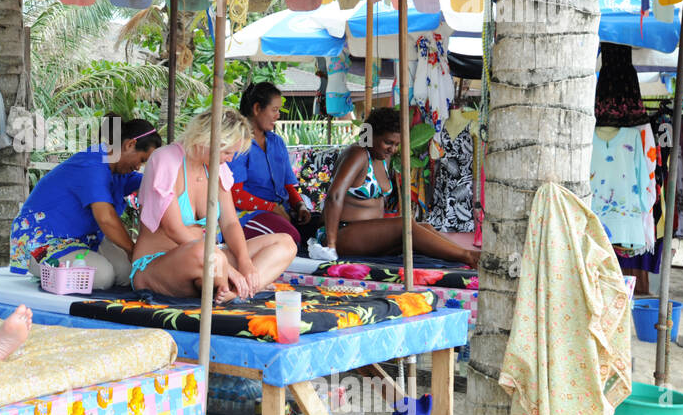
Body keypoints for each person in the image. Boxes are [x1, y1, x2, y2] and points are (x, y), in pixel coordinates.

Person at [129, 109, 296, 302]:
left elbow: (231, 223)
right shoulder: (165, 159)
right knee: (209, 256)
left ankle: (234, 292)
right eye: (227, 152)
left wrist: (245, 263)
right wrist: (229, 268)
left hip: (210, 259)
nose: (230, 159)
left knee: (285, 243)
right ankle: (231, 283)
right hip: (160, 265)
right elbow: (173, 229)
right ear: (207, 140)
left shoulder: (219, 168)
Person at [9, 115, 160, 288]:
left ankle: (62, 272)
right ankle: (46, 271)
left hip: (82, 242)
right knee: (103, 276)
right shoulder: (92, 165)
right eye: (142, 160)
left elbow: (154, 183)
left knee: (128, 273)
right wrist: (134, 251)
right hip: (42, 241)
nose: (139, 167)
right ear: (130, 145)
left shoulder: (119, 171)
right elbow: (106, 218)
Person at [318, 106, 480, 267]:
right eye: (388, 142)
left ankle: (466, 255)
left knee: (424, 227)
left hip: (368, 236)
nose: (393, 149)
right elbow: (334, 196)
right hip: (343, 233)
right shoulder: (358, 154)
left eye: (396, 144)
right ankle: (468, 256)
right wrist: (331, 246)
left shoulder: (382, 157)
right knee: (405, 224)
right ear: (372, 135)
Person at [227, 80, 311, 245]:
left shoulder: (277, 142)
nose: (278, 115)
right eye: (274, 110)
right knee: (291, 239)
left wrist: (300, 205)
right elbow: (236, 195)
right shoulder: (238, 143)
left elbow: (287, 185)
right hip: (249, 214)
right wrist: (272, 208)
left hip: (281, 211)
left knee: (316, 228)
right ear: (257, 108)